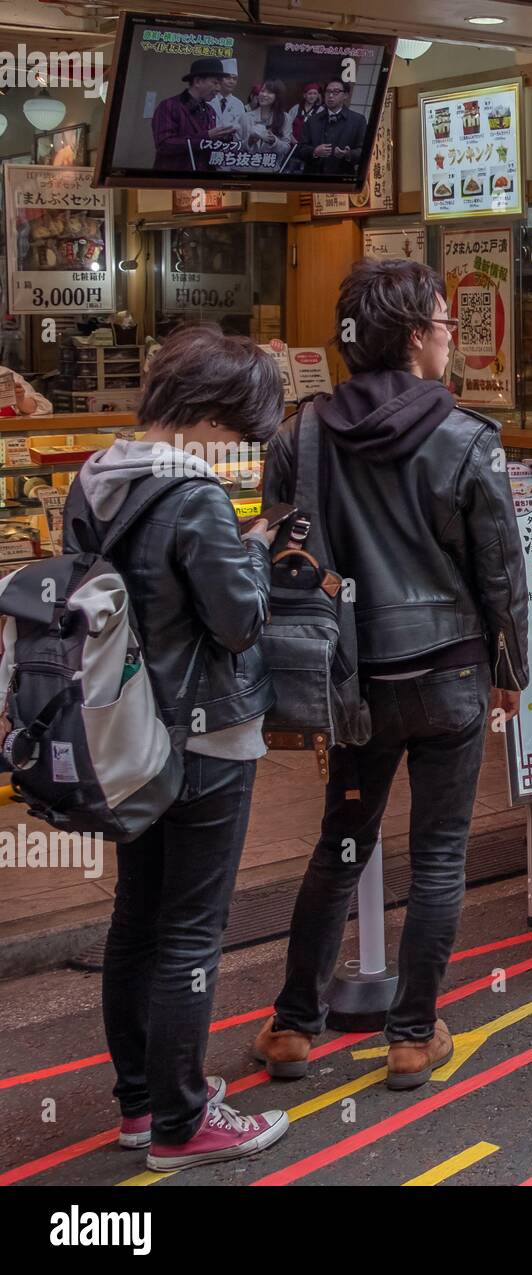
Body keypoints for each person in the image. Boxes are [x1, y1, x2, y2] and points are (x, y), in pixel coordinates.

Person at [253, 259, 528, 1091]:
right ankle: (411, 1036)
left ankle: (294, 1026)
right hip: (448, 674)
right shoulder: (466, 437)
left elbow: (280, 551)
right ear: (415, 337)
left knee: (339, 845)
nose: (450, 336)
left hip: (348, 680)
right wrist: (510, 668)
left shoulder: (299, 435)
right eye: (444, 323)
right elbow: (502, 571)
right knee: (439, 854)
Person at [62, 327, 287, 1171]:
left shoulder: (95, 477)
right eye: (241, 430)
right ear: (213, 414)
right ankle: (183, 1121)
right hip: (204, 737)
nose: (240, 448)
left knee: (137, 919)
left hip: (122, 734)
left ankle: (139, 1102)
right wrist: (259, 549)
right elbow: (239, 621)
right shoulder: (193, 498)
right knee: (192, 928)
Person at [151, 57, 239, 172]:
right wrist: (207, 136)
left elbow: (208, 147)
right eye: (215, 83)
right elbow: (164, 145)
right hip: (172, 178)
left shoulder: (209, 110)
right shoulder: (169, 106)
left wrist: (224, 139)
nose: (218, 89)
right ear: (197, 81)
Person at [299, 79, 368, 177]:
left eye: (336, 92)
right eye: (328, 92)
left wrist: (348, 154)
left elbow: (364, 151)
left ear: (345, 95)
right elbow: (301, 149)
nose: (330, 96)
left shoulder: (358, 120)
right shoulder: (312, 120)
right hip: (313, 178)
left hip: (342, 179)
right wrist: (314, 152)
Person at [237, 81, 293, 163]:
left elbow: (286, 148)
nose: (264, 94)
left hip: (270, 168)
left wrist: (274, 141)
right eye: (262, 91)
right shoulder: (245, 117)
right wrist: (250, 141)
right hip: (246, 166)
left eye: (269, 92)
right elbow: (236, 145)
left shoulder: (285, 118)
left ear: (277, 96)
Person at [212, 66, 246, 131]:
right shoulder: (209, 99)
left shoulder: (239, 104)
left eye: (234, 79)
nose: (231, 81)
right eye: (228, 78)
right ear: (220, 79)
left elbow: (240, 129)